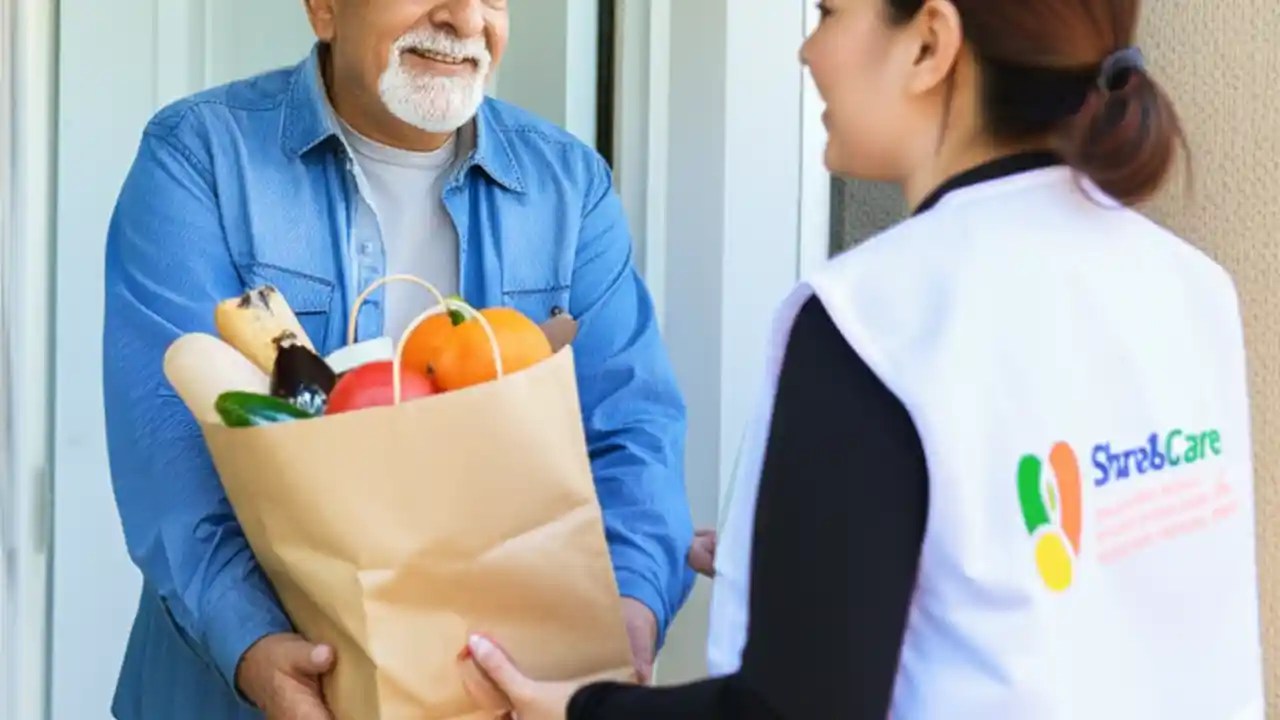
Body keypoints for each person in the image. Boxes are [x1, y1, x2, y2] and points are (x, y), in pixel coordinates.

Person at [462, 0, 1265, 717]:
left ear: (928, 44)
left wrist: (579, 708)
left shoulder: (880, 317)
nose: (807, 52)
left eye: (829, 13)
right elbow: (1072, 591)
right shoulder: (1191, 289)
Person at [101, 1, 695, 717]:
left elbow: (633, 437)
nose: (464, 18)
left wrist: (624, 626)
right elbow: (170, 453)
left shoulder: (571, 190)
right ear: (324, 8)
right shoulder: (200, 157)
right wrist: (253, 649)